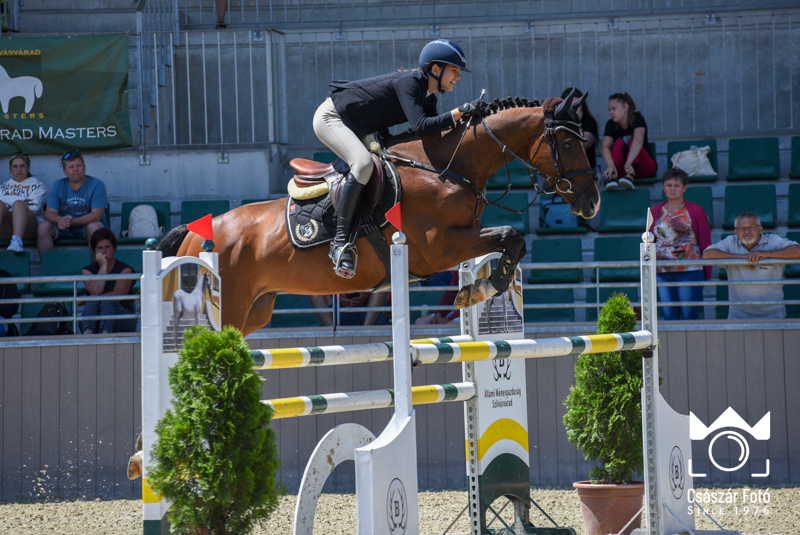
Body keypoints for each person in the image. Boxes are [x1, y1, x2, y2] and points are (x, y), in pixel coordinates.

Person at [313, 39, 484, 279]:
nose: (458, 76)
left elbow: (432, 136)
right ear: (436, 69)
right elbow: (422, 126)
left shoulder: (429, 98)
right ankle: (340, 243)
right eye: (454, 70)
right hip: (334, 118)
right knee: (362, 165)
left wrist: (468, 121)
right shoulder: (411, 82)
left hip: (363, 127)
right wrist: (460, 111)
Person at [704, 213, 800, 320]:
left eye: (751, 227)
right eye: (742, 228)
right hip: (738, 317)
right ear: (736, 232)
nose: (747, 231)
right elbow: (707, 254)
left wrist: (766, 254)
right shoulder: (730, 241)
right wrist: (742, 258)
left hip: (773, 316)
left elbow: (797, 250)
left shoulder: (772, 240)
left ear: (760, 229)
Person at [648, 168, 712, 320]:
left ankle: (692, 345)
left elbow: (705, 241)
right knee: (669, 316)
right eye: (669, 185)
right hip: (662, 272)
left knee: (690, 315)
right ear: (663, 187)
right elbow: (650, 241)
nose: (672, 188)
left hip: (689, 271)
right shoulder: (655, 211)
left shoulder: (695, 210)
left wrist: (707, 271)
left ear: (684, 188)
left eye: (676, 185)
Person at [37, 150, 108, 256]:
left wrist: (72, 222)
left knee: (94, 228)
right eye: (71, 167)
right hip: (63, 227)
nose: (75, 169)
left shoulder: (97, 185)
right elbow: (49, 213)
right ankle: (49, 270)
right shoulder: (58, 185)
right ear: (64, 171)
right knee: (43, 227)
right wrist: (61, 220)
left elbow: (96, 216)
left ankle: (97, 269)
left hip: (86, 227)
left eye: (78, 166)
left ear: (84, 167)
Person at [79, 228, 138, 334]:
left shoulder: (125, 270)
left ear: (114, 249)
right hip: (96, 320)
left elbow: (118, 295)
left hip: (122, 320)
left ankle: (105, 336)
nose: (104, 251)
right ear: (94, 251)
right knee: (93, 302)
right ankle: (88, 335)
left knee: (108, 301)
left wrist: (88, 298)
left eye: (107, 247)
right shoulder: (87, 270)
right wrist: (103, 266)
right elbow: (95, 292)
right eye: (99, 248)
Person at [600, 92, 657, 190]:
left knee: (632, 141)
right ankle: (612, 178)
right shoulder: (610, 124)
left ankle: (630, 177)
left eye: (614, 109)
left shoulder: (637, 119)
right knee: (618, 143)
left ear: (625, 107)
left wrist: (629, 163)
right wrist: (610, 165)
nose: (611, 113)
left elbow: (638, 140)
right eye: (609, 110)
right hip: (622, 171)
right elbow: (605, 146)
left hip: (643, 168)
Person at [0, 152, 47, 252]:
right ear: (10, 169)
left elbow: (36, 208)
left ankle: (17, 241)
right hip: (7, 228)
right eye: (15, 166)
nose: (18, 169)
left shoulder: (37, 185)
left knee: (18, 204)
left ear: (28, 168)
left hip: (30, 227)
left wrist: (13, 206)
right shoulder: (4, 186)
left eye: (22, 166)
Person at [561, 87, 598, 169]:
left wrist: (575, 122)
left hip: (585, 171)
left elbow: (583, 144)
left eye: (577, 103)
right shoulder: (559, 123)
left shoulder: (590, 122)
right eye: (570, 104)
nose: (574, 107)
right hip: (565, 171)